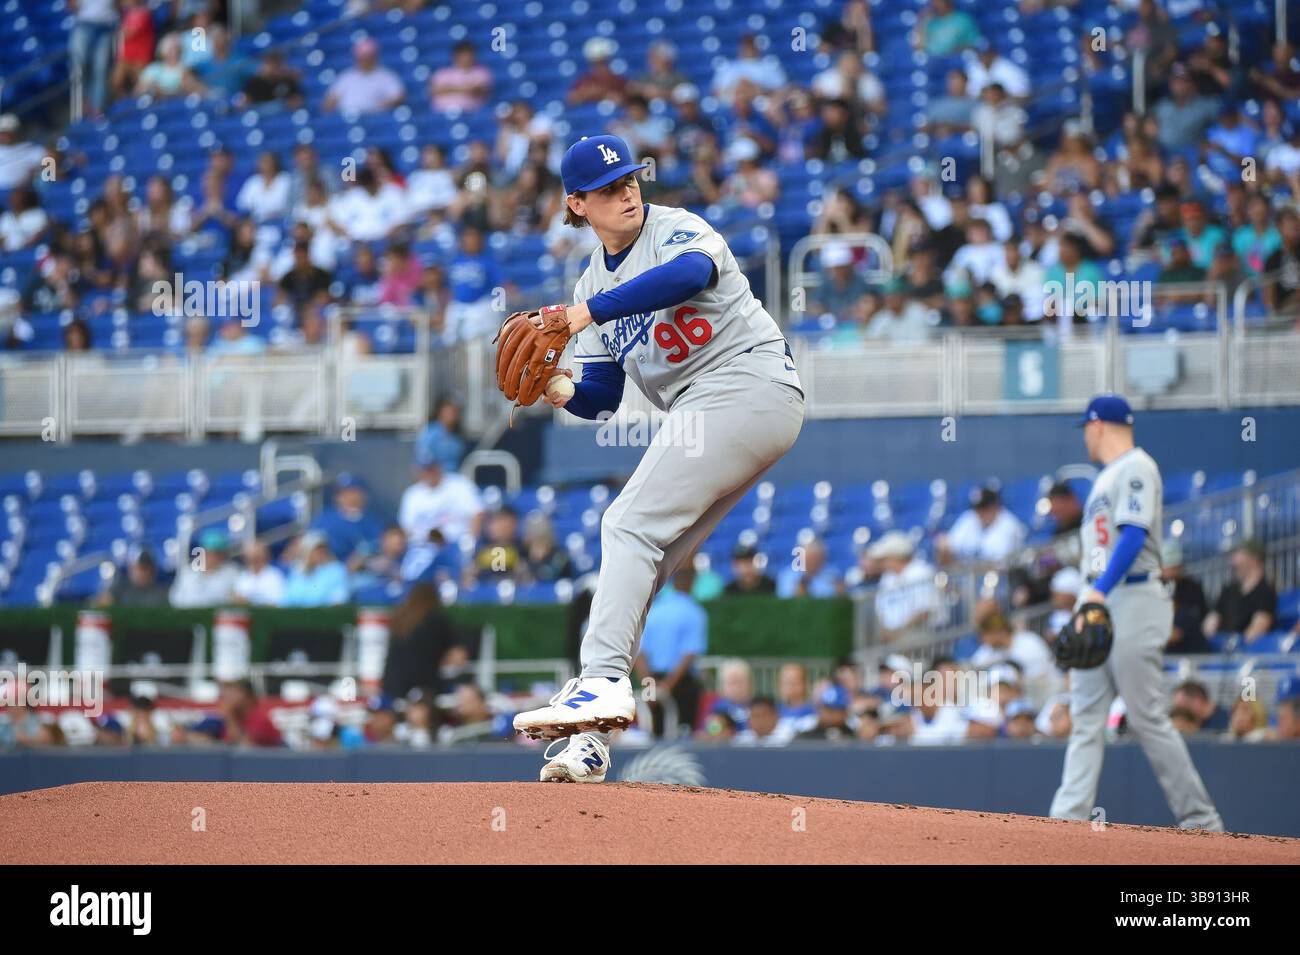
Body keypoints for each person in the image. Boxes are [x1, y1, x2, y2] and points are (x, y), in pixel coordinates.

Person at [508, 134, 805, 782]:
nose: (628, 193)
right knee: (647, 560)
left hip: (747, 382)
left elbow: (690, 275)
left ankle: (604, 681)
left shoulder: (673, 230)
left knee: (624, 524)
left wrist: (582, 314)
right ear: (577, 203)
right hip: (717, 410)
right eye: (611, 189)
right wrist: (556, 388)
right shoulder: (590, 279)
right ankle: (591, 741)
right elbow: (604, 398)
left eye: (632, 180)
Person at [1049, 394, 1223, 831]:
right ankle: (1065, 821)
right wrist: (1091, 597)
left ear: (1097, 425)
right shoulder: (1107, 477)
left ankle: (1201, 820)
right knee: (1086, 718)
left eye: (1086, 428)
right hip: (1102, 602)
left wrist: (1099, 592)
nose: (1085, 436)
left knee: (1146, 716)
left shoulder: (1137, 466)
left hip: (1133, 598)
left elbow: (1132, 536)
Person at [1202, 540, 1277, 644]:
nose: (1233, 561)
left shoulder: (1265, 592)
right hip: (1222, 649)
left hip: (1243, 652)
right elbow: (1210, 624)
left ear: (1253, 559)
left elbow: (1257, 629)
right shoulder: (1228, 590)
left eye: (1238, 555)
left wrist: (1236, 646)